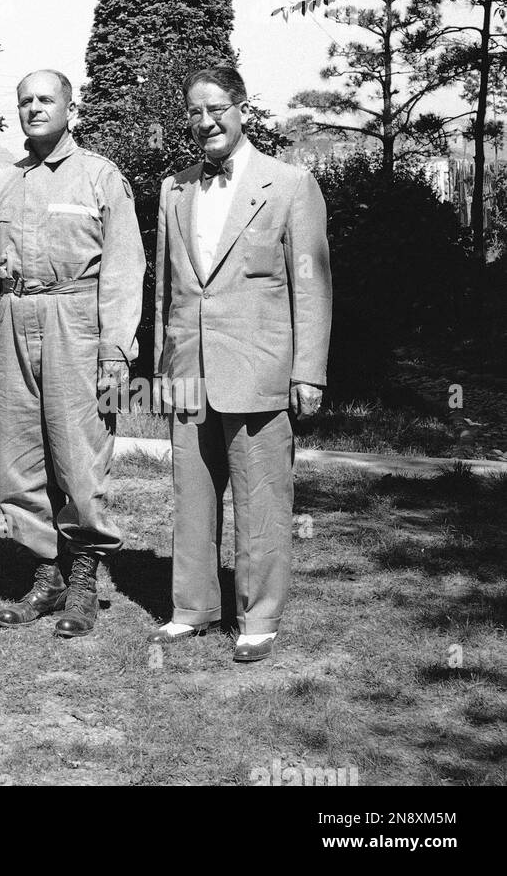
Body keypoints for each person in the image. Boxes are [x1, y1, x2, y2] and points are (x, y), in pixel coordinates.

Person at [151, 65, 332, 663]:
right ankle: (193, 607)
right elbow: (167, 292)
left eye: (216, 110)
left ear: (242, 110)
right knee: (192, 494)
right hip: (188, 368)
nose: (205, 123)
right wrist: (162, 365)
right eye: (194, 113)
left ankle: (258, 617)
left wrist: (308, 370)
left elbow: (311, 283)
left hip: (257, 369)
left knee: (261, 498)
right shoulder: (173, 188)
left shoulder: (288, 184)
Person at [0, 69, 145, 637]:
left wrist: (115, 352)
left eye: (46, 99)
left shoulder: (101, 177)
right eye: (25, 100)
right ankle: (45, 574)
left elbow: (127, 270)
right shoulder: (4, 182)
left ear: (70, 108)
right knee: (21, 456)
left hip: (77, 323)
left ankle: (83, 577)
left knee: (79, 453)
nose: (34, 108)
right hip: (14, 321)